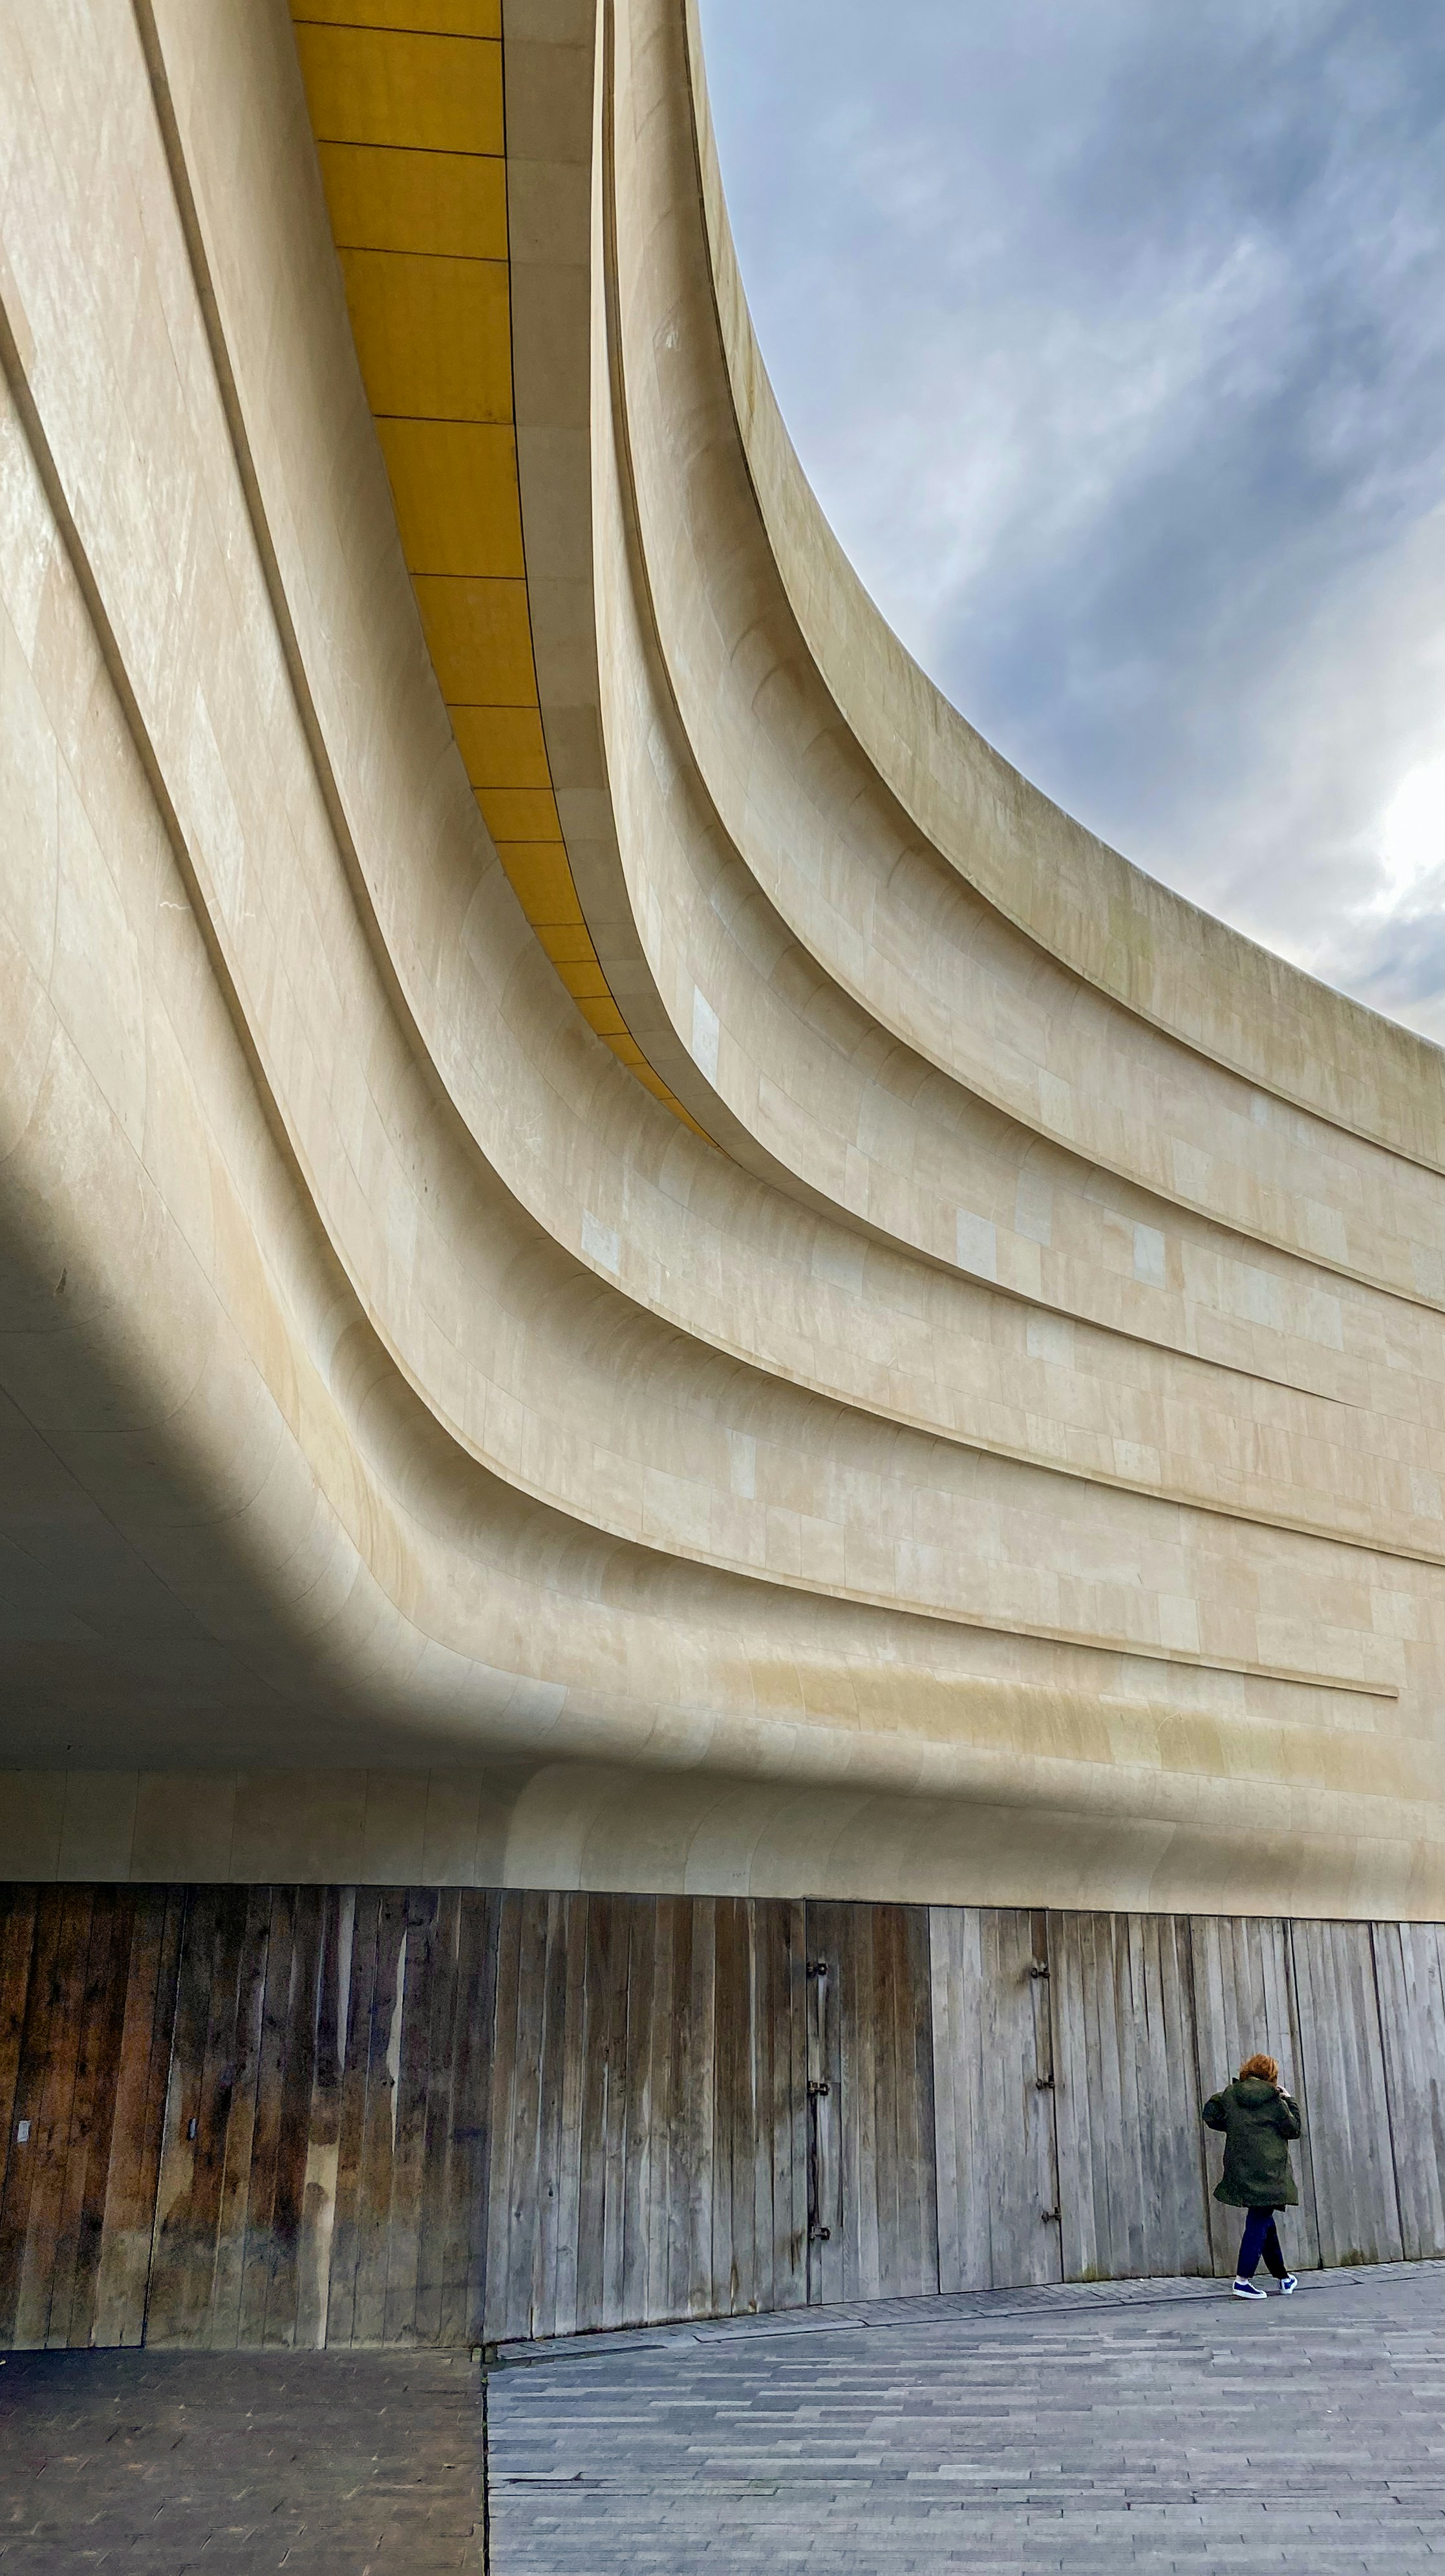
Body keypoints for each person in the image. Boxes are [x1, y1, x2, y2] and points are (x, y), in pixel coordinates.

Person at [1201, 2050, 1303, 2299]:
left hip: (1242, 2168)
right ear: (1271, 2075)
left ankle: (1284, 2278)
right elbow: (1293, 2129)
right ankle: (1243, 2280)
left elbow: (1210, 2113)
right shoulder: (1274, 2099)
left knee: (1263, 2220)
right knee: (1258, 2221)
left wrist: (1233, 2124)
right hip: (1269, 2172)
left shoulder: (1231, 2094)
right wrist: (1289, 2100)